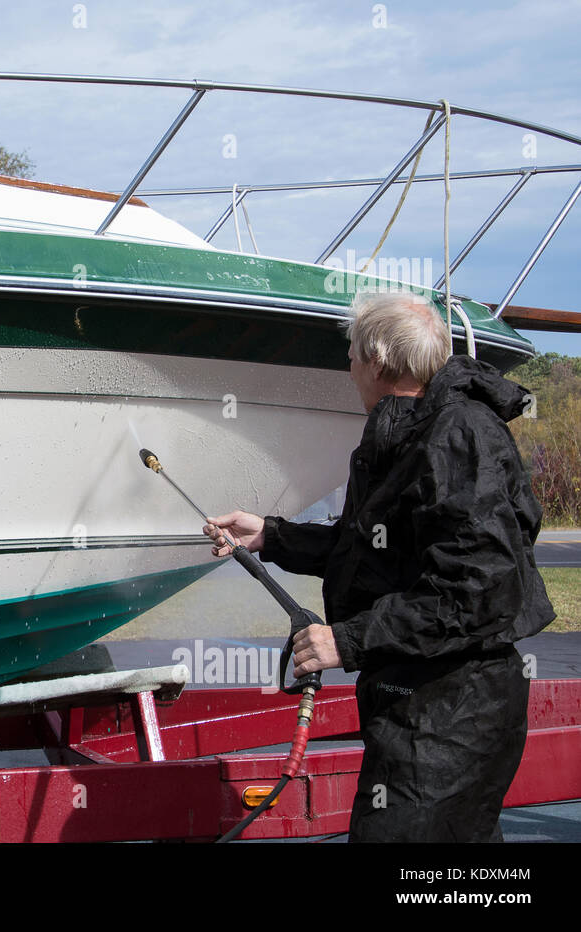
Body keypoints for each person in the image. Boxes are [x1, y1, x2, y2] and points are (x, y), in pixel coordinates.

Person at [204, 291, 555, 842]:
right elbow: (372, 551)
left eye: (352, 355)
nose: (347, 368)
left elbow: (479, 590)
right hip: (424, 705)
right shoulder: (412, 431)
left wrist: (348, 640)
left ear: (379, 362)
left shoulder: (456, 435)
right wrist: (271, 536)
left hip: (453, 712)